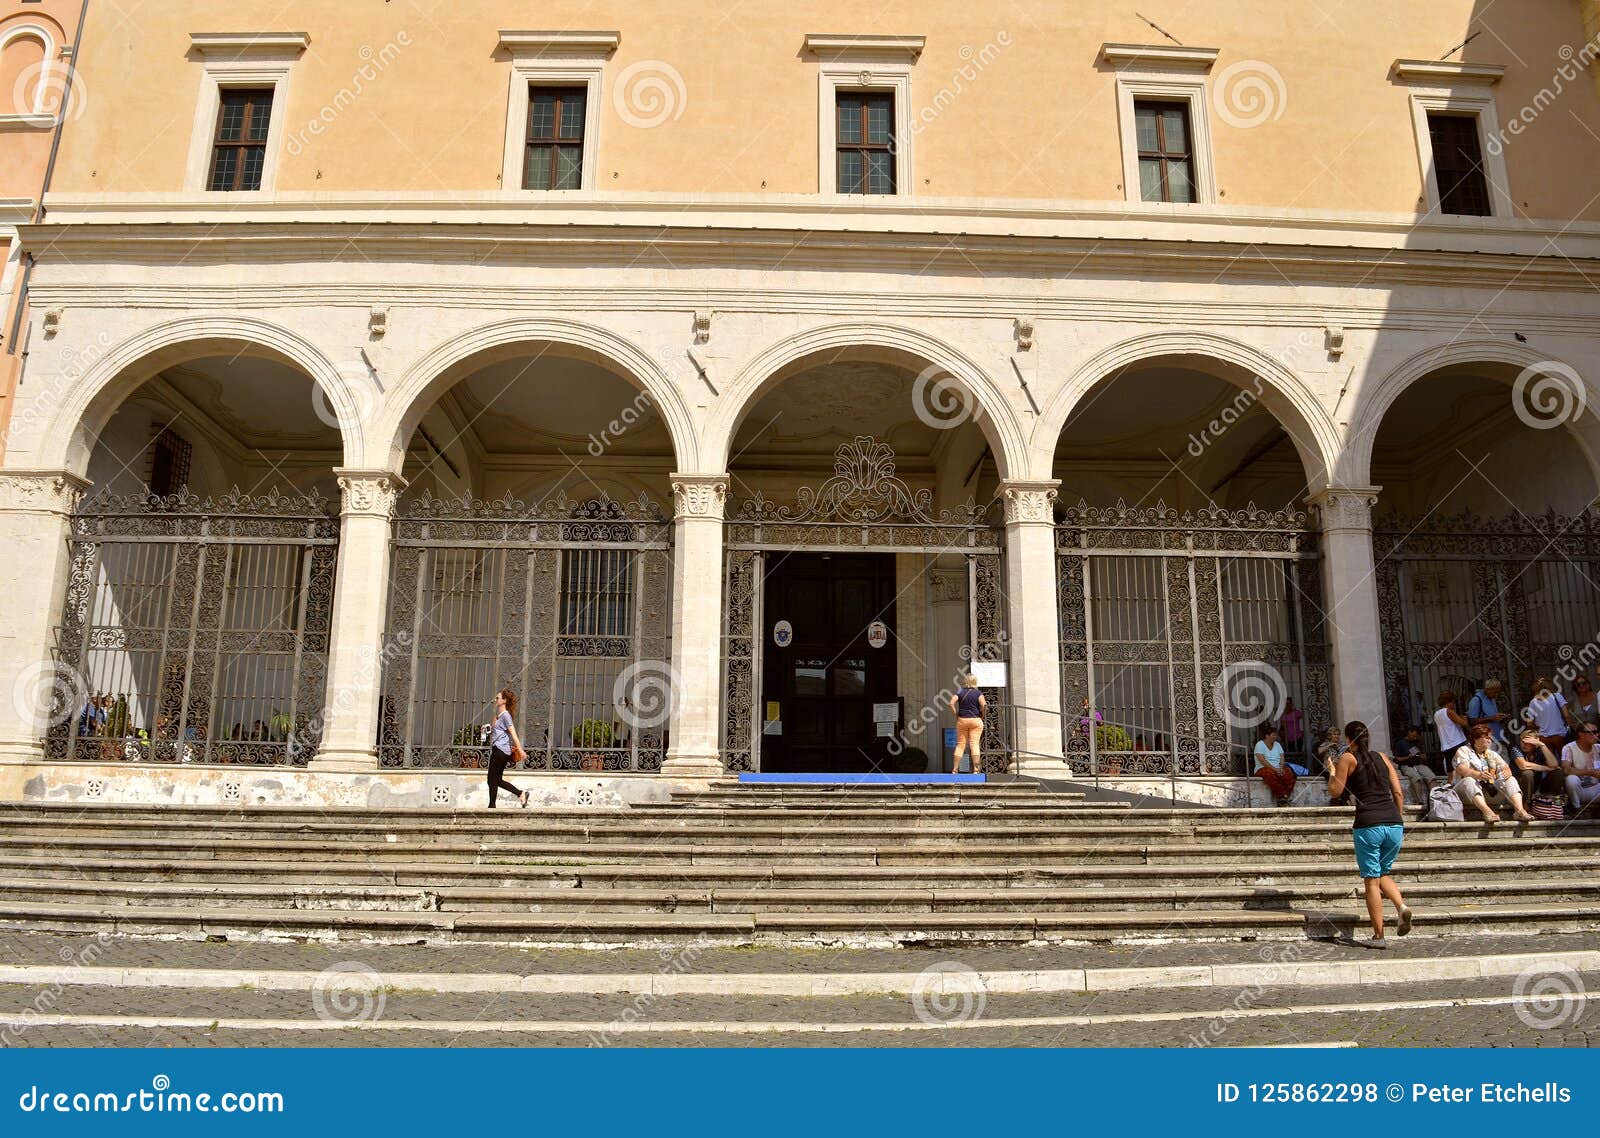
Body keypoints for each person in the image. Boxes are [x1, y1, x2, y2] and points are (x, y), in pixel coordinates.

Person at [1327, 720, 1412, 948]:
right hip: (1394, 824)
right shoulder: (1383, 758)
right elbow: (1398, 791)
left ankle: (1379, 936)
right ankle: (1401, 906)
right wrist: (1398, 818)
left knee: (1371, 881)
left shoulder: (1347, 758)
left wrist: (1332, 771)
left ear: (1348, 739)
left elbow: (1335, 791)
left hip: (1368, 824)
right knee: (1383, 872)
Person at [1452, 724, 1534, 823]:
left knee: (1510, 779)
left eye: (1490, 738)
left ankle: (1519, 811)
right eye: (1486, 737)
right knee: (1469, 780)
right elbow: (1461, 769)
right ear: (1475, 739)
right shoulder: (1463, 750)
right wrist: (1478, 775)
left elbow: (1505, 767)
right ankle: (1487, 812)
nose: (1490, 740)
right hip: (1464, 794)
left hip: (1488, 792)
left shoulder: (1492, 754)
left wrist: (1506, 771)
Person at [486, 688, 529, 809]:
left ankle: (492, 806)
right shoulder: (498, 715)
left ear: (504, 701)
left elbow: (513, 733)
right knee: (496, 780)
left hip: (501, 750)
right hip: (497, 749)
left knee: (492, 779)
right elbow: (497, 732)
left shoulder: (506, 716)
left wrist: (520, 750)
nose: (496, 699)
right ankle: (521, 793)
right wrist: (487, 730)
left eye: (498, 698)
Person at [1509, 727, 1563, 802]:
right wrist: (1547, 768)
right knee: (1528, 772)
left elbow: (1554, 765)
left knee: (1558, 772)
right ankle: (1526, 803)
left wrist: (1542, 745)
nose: (1525, 744)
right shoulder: (1516, 749)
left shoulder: (1540, 750)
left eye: (1529, 741)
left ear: (1535, 742)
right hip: (1520, 785)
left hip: (1538, 785)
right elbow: (1523, 765)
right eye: (1523, 741)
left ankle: (1552, 801)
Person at [1561, 721, 1600, 814]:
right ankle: (1576, 809)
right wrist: (1590, 772)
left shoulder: (1598, 748)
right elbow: (1566, 769)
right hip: (1578, 791)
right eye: (1593, 732)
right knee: (1571, 779)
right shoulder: (1569, 748)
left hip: (1596, 790)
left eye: (1597, 732)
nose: (1597, 735)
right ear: (1581, 734)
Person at [950, 675, 985, 775]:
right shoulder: (978, 693)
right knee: (974, 744)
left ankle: (955, 769)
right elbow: (984, 705)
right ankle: (976, 770)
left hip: (962, 720)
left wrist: (956, 713)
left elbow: (951, 703)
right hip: (976, 720)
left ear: (965, 681)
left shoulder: (960, 691)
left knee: (960, 745)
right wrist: (982, 715)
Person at [1253, 724, 1295, 807]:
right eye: (1273, 735)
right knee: (1270, 774)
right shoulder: (1259, 744)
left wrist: (1281, 767)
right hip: (1263, 768)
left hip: (1278, 768)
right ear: (1267, 736)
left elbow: (1282, 757)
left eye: (1276, 735)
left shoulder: (1277, 744)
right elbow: (1262, 760)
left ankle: (1285, 796)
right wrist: (1275, 769)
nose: (1275, 737)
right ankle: (1281, 797)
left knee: (1289, 773)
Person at [1524, 676, 1570, 752]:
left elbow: (1529, 723)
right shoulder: (1557, 696)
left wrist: (1539, 726)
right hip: (1560, 735)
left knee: (1550, 761)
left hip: (1543, 737)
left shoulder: (1533, 702)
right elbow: (1567, 716)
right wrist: (1569, 726)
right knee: (1564, 758)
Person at [1393, 726, 1435, 806]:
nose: (1415, 737)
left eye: (1416, 736)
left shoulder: (1417, 742)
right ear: (1409, 732)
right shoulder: (1400, 743)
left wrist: (1422, 756)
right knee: (1416, 778)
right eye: (1413, 735)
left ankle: (1435, 799)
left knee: (1430, 776)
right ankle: (1420, 800)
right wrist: (1407, 757)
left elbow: (1424, 755)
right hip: (1406, 765)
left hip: (1418, 764)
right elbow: (1397, 758)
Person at [1466, 679, 1508, 749]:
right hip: (1486, 740)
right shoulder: (1476, 700)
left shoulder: (1492, 699)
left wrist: (1500, 718)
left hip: (1497, 738)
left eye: (1498, 692)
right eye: (1495, 692)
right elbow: (1472, 721)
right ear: (1487, 689)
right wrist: (1492, 718)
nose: (1496, 695)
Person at [1433, 691, 1468, 772]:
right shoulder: (1449, 711)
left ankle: (1450, 784)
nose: (1454, 705)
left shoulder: (1436, 714)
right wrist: (1465, 717)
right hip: (1457, 742)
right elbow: (1463, 723)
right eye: (1453, 702)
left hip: (1446, 745)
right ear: (1450, 702)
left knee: (1451, 769)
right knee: (1462, 766)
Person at [1568, 675, 1600, 741]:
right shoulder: (1572, 701)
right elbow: (1569, 718)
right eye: (1578, 684)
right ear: (1575, 687)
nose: (1581, 686)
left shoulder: (1598, 697)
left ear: (1589, 684)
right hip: (1580, 736)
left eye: (1584, 683)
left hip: (1596, 735)